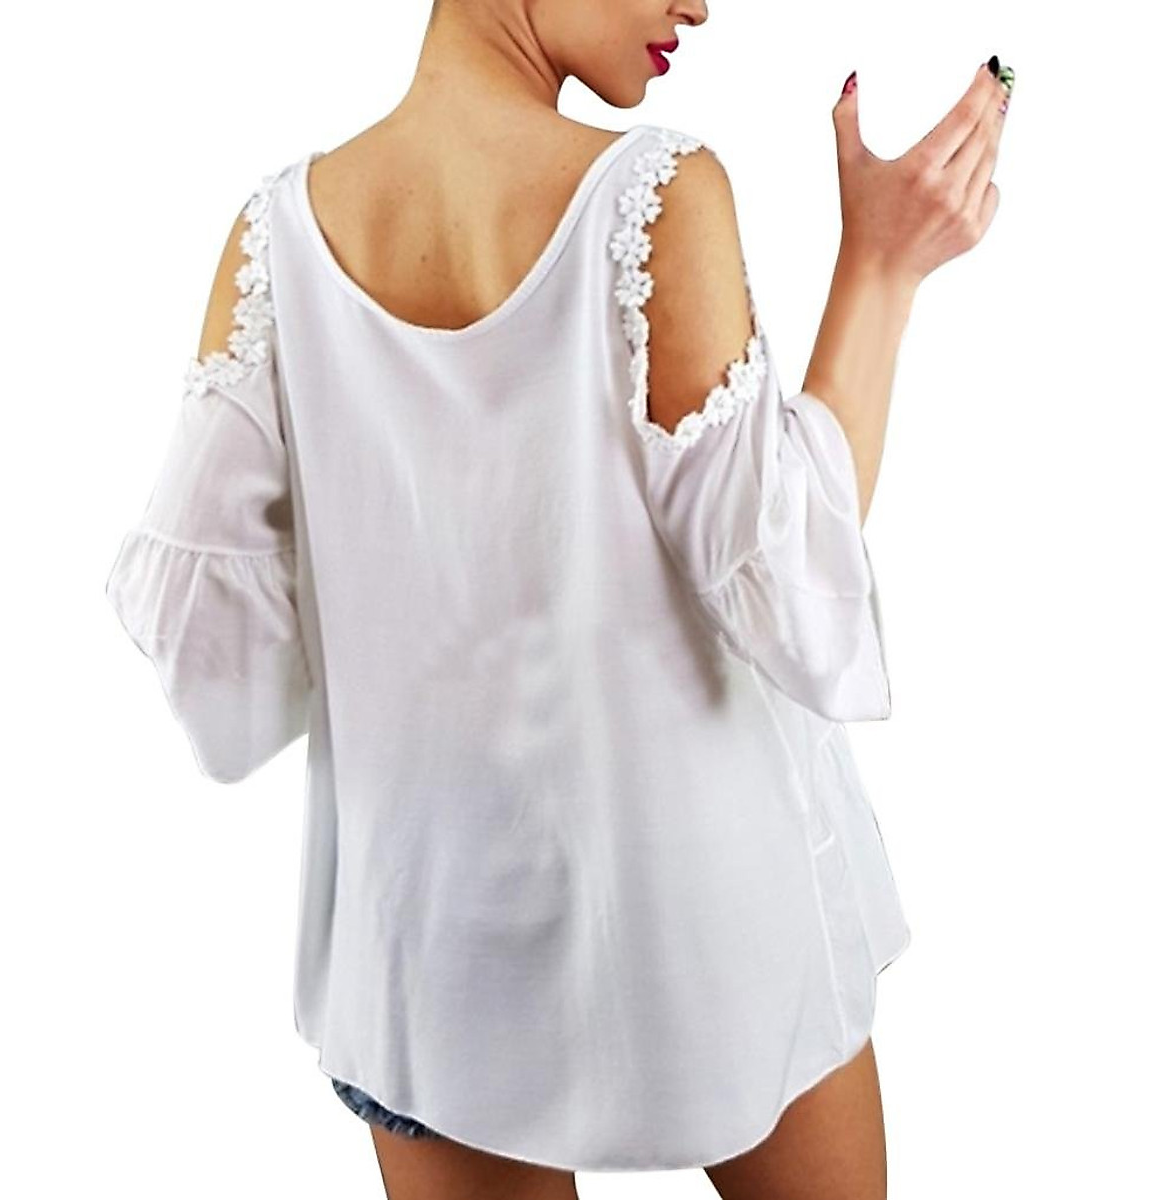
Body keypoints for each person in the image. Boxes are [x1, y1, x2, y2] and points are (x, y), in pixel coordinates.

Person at [104, 1, 1013, 1196]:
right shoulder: (660, 192)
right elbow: (791, 591)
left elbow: (212, 653)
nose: (698, 4)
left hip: (424, 954)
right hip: (709, 921)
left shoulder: (271, 239)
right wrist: (882, 268)